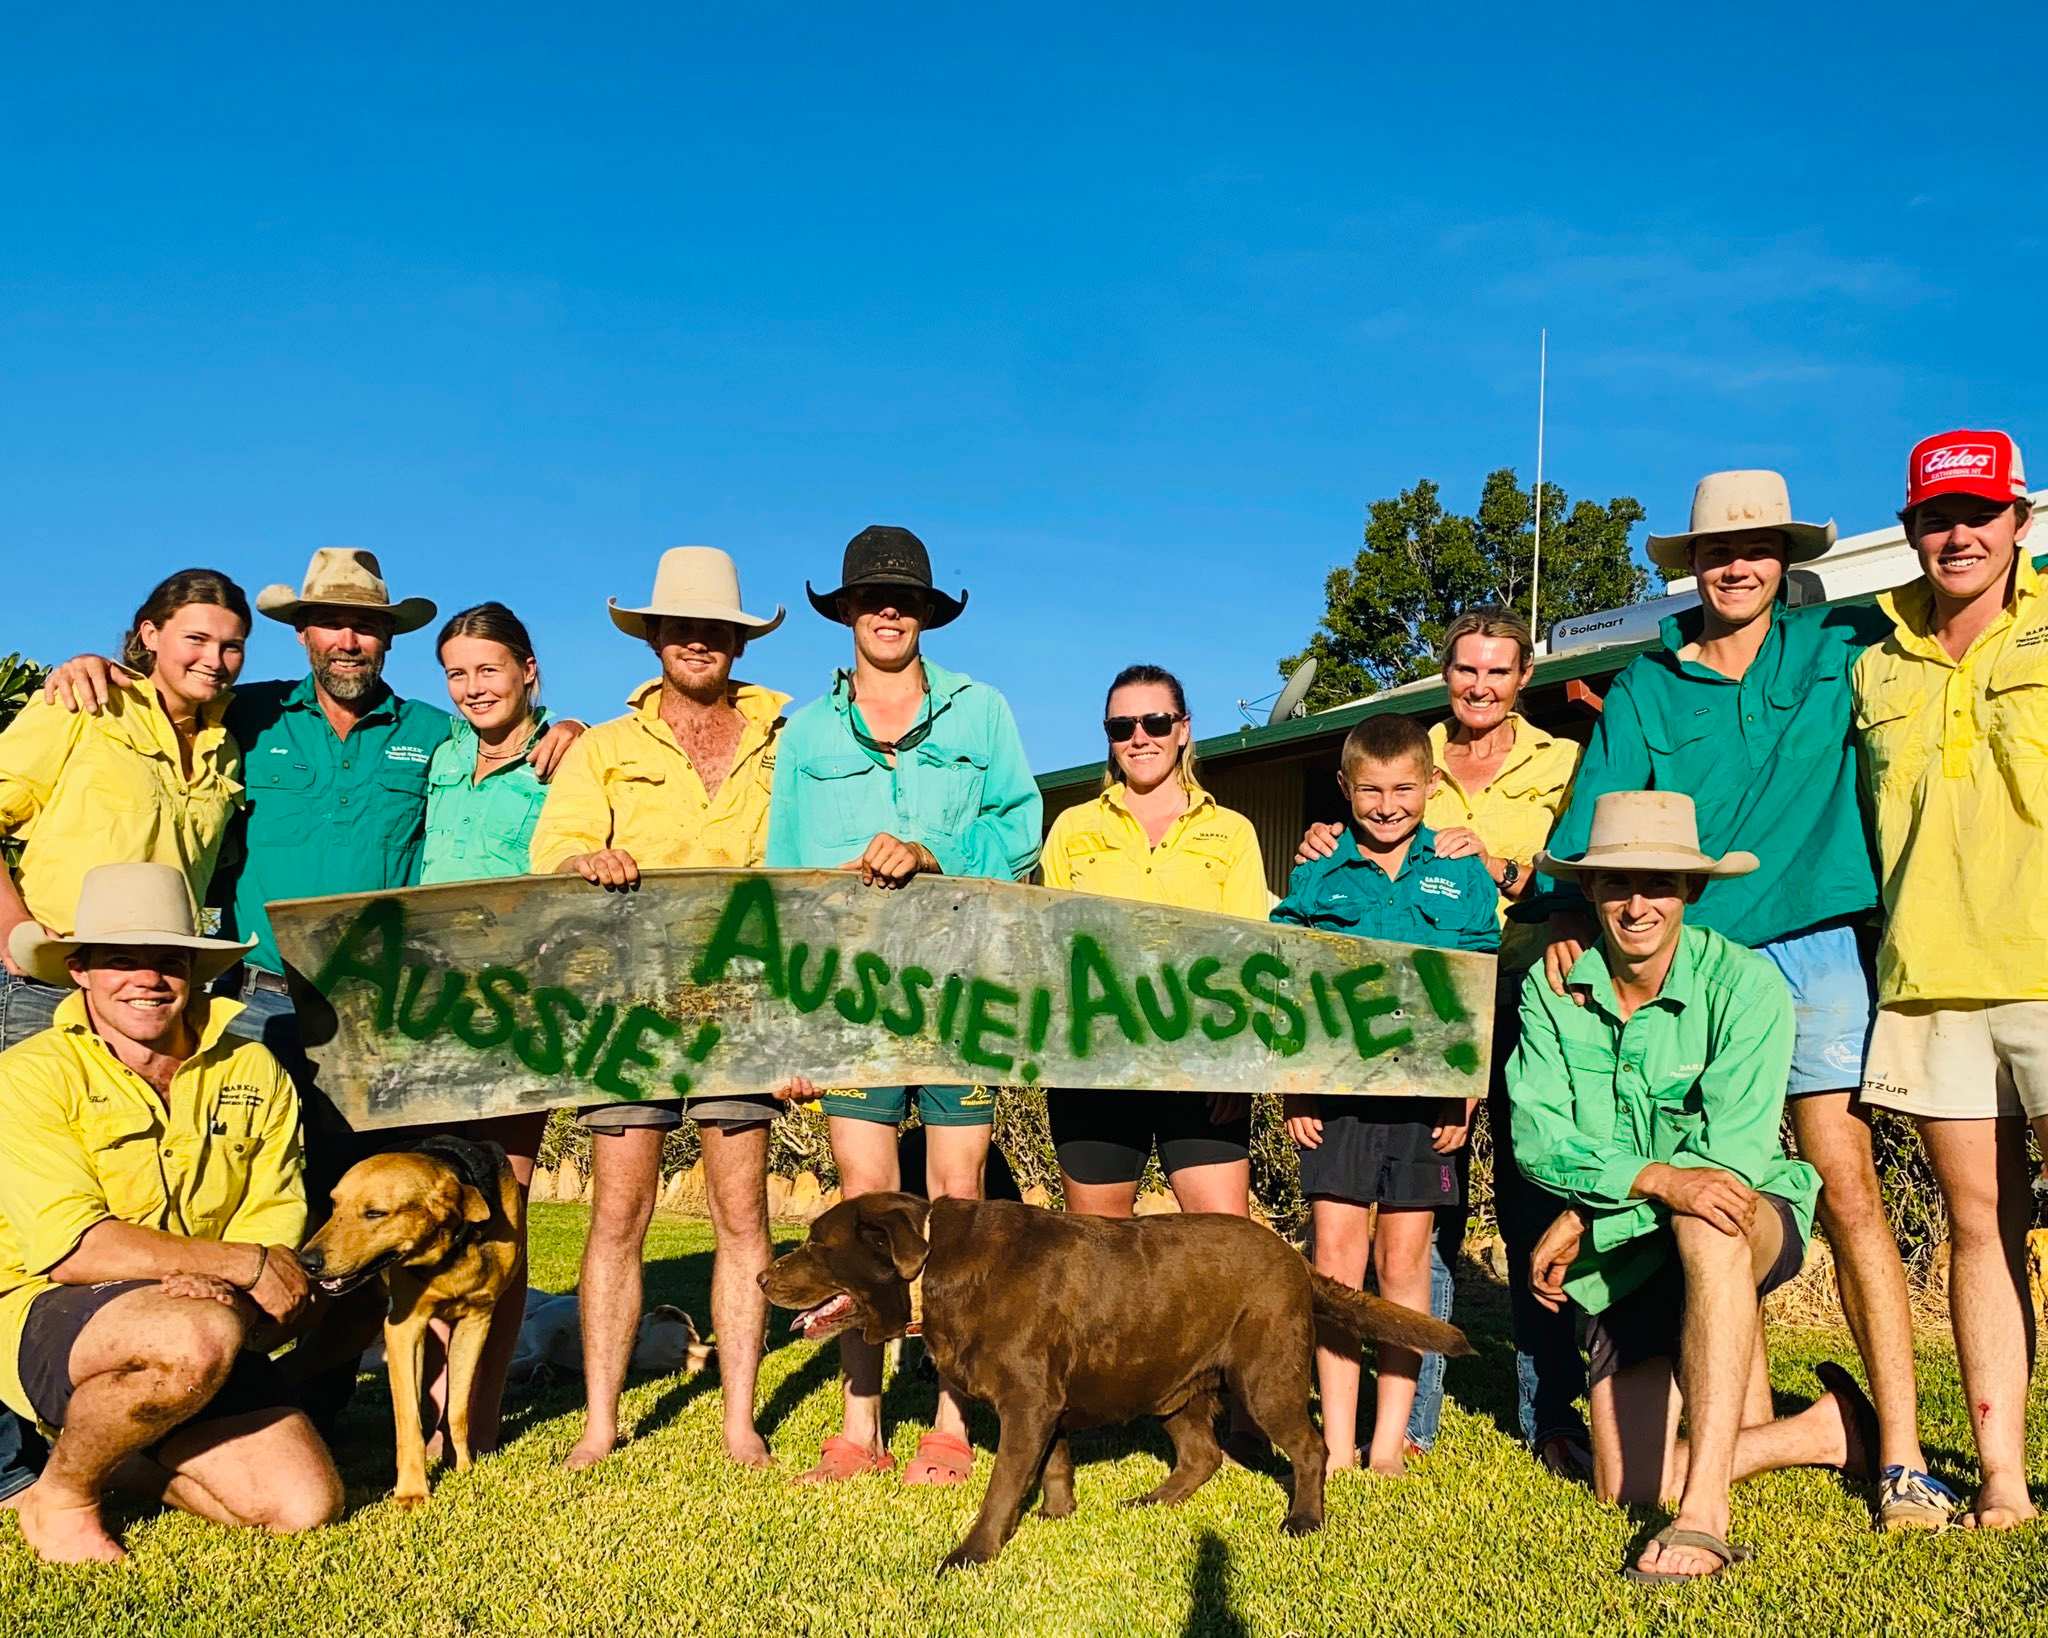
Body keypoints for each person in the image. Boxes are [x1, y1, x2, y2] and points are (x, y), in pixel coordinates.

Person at [1532, 471, 1947, 1530]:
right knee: (1706, 1181)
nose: (1736, 563)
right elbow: (1592, 827)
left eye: (1756, 545)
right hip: (1682, 950)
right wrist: (1563, 930)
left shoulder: (1839, 648)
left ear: (1783, 556)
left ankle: (1898, 1455)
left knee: (1843, 1186)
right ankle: (1774, 1426)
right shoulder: (1644, 685)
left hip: (1811, 946)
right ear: (1687, 567)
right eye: (1716, 550)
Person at [40, 548, 582, 1204]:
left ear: (389, 638)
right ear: (302, 634)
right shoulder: (248, 715)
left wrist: (575, 732)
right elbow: (164, 701)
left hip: (375, 1012)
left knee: (356, 1200)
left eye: (366, 625)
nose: (348, 641)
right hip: (253, 1005)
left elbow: (512, 742)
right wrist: (102, 665)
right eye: (330, 622)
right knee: (234, 1187)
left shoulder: (437, 734)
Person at [1512, 791, 1872, 1583]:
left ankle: (1705, 1513)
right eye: (1617, 885)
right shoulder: (1550, 988)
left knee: (1708, 1221)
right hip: (1628, 1233)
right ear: (1591, 892)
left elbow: (1729, 1162)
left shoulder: (1744, 986)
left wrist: (1589, 1208)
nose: (1637, 905)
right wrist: (1634, 1186)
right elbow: (1539, 1134)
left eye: (1660, 884)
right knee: (1626, 1487)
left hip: (1741, 1214)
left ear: (1692, 891)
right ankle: (1821, 1433)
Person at [767, 524, 1041, 1486]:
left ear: (927, 612)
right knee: (859, 1214)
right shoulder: (804, 734)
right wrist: (794, 1025)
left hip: (966, 993)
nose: (888, 609)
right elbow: (786, 885)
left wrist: (936, 852)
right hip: (851, 1005)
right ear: (844, 611)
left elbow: (1021, 829)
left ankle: (955, 1418)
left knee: (959, 1211)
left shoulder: (983, 714)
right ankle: (859, 1424)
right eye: (870, 596)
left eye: (906, 596)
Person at [1295, 607, 1588, 1473]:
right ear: (1447, 671)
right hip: (1390, 1044)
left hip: (1524, 992)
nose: (1480, 685)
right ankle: (1409, 1426)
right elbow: (1304, 957)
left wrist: (1497, 866)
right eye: (1467, 670)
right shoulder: (1402, 750)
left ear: (1521, 678)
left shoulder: (1563, 765)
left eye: (1498, 671)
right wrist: (1325, 837)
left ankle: (1548, 1414)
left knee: (1535, 1195)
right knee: (1422, 1230)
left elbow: (1575, 873)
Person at [529, 547, 789, 1471]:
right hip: (627, 1006)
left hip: (742, 1003)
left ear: (736, 640)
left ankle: (738, 1419)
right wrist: (581, 864)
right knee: (616, 1218)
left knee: (741, 1217)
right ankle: (601, 1422)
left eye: (715, 629)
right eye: (680, 627)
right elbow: (551, 851)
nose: (698, 642)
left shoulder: (787, 737)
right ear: (653, 636)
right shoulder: (604, 746)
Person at [0, 567, 253, 1508]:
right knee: (16, 1223)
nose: (215, 660)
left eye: (230, 645)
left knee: (127, 1195)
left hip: (158, 991)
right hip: (44, 978)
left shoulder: (227, 744)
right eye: (195, 639)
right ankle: (11, 1460)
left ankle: (115, 1418)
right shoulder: (83, 706)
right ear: (146, 635)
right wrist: (16, 937)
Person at [0, 863, 339, 1563]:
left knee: (302, 1506)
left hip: (206, 1311)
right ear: (81, 970)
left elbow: (274, 1213)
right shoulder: (30, 1074)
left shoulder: (254, 1070)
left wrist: (235, 1292)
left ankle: (112, 1451)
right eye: (122, 961)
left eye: (168, 961)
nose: (147, 980)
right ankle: (61, 1498)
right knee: (190, 1340)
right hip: (44, 1301)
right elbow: (73, 1248)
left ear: (195, 970)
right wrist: (237, 1268)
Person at [1853, 429, 2045, 1531]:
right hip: (1929, 981)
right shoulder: (1873, 662)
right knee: (1977, 1231)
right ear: (1911, 528)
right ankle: (2004, 1480)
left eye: (1979, 512)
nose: (1957, 534)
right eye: (1936, 516)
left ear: (2018, 520)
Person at [1274, 714, 1498, 1476]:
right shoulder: (1317, 870)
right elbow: (1287, 979)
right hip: (1335, 1098)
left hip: (1425, 1103)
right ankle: (1336, 1441)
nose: (1387, 804)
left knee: (1404, 1262)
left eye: (1404, 787)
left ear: (1431, 786)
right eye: (1369, 789)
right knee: (1335, 1263)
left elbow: (1477, 985)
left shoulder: (1460, 871)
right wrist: (1294, 1085)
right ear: (1345, 789)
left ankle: (1388, 1441)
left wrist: (1461, 1091)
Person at [1040, 664, 1268, 1214]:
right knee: (1099, 1251)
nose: (1139, 738)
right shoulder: (1072, 827)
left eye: (1155, 722)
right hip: (1094, 1065)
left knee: (1218, 1248)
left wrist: (1240, 1067)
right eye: (1122, 728)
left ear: (1184, 728)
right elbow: (1050, 950)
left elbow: (1251, 954)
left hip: (1202, 1063)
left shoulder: (1233, 831)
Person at [415, 601, 558, 1454]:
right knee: (434, 1207)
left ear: (528, 670)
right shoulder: (438, 758)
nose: (473, 688)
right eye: (457, 674)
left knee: (503, 1205)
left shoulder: (563, 762)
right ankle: (431, 1403)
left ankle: (481, 1407)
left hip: (518, 1013)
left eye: (489, 669)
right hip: (427, 1013)